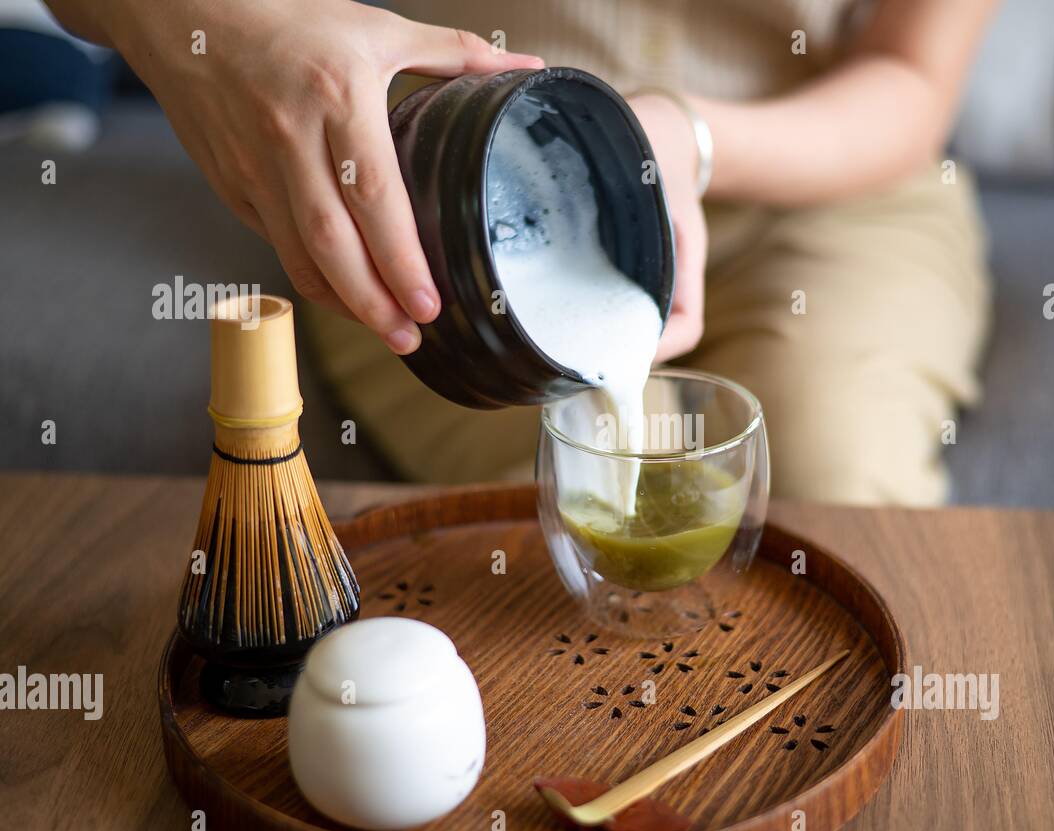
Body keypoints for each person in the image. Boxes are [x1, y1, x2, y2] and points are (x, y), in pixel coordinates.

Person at [48, 0, 999, 505]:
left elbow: (912, 78)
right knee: (592, 491)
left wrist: (688, 138)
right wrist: (221, 30)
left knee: (843, 475)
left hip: (826, 182)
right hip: (462, 203)